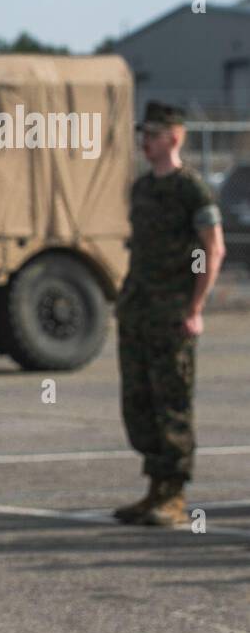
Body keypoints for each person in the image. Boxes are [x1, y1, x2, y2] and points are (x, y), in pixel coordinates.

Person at [114, 100, 225, 527]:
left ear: (175, 137)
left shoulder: (191, 189)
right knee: (138, 402)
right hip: (138, 310)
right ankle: (155, 487)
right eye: (143, 134)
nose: (145, 141)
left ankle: (174, 494)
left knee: (172, 402)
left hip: (173, 313)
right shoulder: (143, 188)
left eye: (154, 135)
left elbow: (212, 250)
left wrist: (195, 306)